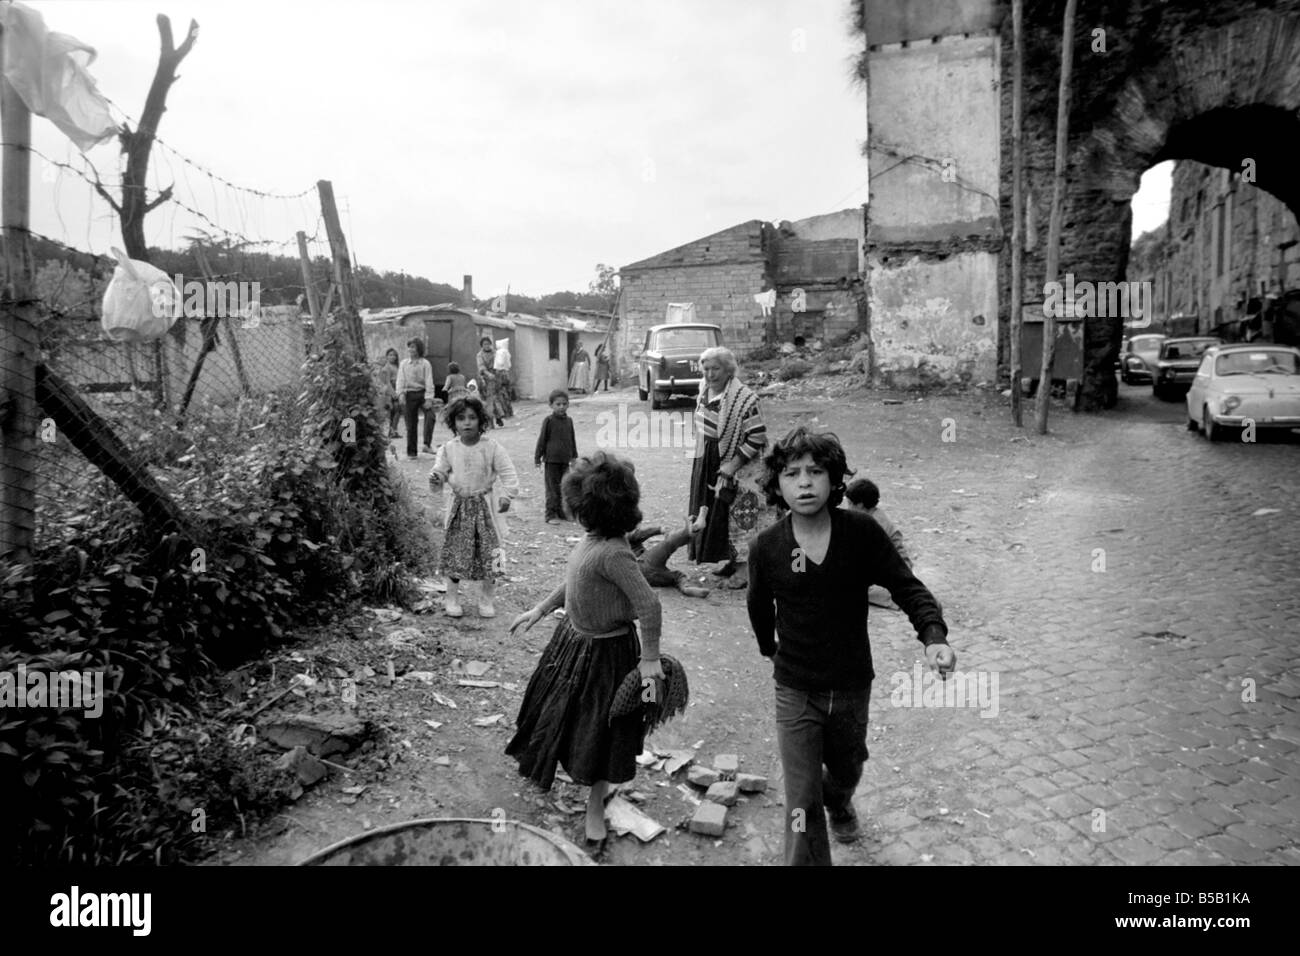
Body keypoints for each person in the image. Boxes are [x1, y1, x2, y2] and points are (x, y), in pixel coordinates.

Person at [747, 426, 955, 867]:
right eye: (791, 473)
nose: (804, 482)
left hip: (851, 686)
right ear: (777, 485)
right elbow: (759, 606)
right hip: (795, 689)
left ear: (834, 478)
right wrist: (770, 648)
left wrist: (933, 638)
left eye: (815, 471)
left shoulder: (860, 533)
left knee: (846, 769)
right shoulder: (766, 547)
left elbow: (908, 587)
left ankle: (839, 801)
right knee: (801, 804)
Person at [505, 451, 664, 849]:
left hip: (607, 657)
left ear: (600, 511)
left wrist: (649, 659)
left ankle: (597, 802)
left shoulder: (616, 553)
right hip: (572, 643)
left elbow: (649, 605)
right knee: (568, 717)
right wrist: (540, 609)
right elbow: (575, 581)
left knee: (601, 731)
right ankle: (572, 770)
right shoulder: (593, 540)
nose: (577, 517)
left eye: (582, 510)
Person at [687, 346, 774, 589]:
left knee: (742, 514)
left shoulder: (744, 398)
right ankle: (732, 561)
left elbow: (756, 436)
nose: (710, 374)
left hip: (741, 465)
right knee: (717, 513)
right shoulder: (704, 390)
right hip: (710, 459)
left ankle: (746, 569)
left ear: (729, 371)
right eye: (706, 369)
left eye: (716, 369)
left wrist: (733, 465)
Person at [428, 396, 519, 618]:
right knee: (455, 553)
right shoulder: (449, 448)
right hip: (459, 508)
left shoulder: (492, 448)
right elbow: (440, 470)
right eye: (461, 419)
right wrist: (436, 477)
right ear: (454, 423)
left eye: (472, 418)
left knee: (493, 554)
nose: (467, 423)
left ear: (481, 421)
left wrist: (507, 495)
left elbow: (508, 473)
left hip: (485, 508)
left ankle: (486, 600)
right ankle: (451, 598)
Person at [628, 522, 710, 598]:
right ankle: (689, 532)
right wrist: (660, 529)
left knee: (676, 576)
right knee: (668, 544)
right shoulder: (623, 536)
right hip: (641, 563)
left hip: (646, 578)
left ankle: (686, 588)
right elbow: (637, 534)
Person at [534, 389, 577, 525]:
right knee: (552, 489)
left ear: (568, 405)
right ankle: (550, 514)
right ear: (551, 405)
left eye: (564, 404)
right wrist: (537, 457)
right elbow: (542, 439)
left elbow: (572, 439)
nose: (561, 407)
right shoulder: (549, 421)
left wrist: (574, 456)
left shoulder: (569, 421)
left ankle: (562, 513)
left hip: (565, 460)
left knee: (564, 487)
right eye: (558, 404)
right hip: (551, 461)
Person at [396, 338, 435, 459]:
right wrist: (401, 394)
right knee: (411, 424)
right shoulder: (404, 364)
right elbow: (400, 379)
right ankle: (412, 452)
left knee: (431, 416)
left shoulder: (425, 363)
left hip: (423, 394)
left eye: (413, 347)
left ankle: (426, 444)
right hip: (409, 394)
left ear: (419, 349)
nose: (411, 349)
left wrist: (429, 398)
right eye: (410, 347)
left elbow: (429, 381)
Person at [477, 335, 505, 428]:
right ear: (482, 345)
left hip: (496, 377)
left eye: (488, 344)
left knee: (496, 398)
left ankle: (497, 417)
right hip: (485, 379)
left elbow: (500, 363)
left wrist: (499, 370)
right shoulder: (480, 355)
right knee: (488, 400)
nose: (487, 345)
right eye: (485, 344)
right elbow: (481, 367)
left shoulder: (495, 353)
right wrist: (488, 374)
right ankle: (492, 420)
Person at [380, 348, 401, 439]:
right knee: (393, 410)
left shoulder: (397, 366)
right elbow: (387, 382)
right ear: (387, 357)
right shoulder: (387, 367)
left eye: (394, 355)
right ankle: (391, 431)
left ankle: (393, 431)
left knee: (396, 410)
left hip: (397, 388)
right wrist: (393, 393)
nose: (393, 357)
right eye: (390, 355)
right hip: (390, 390)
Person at [494, 339, 515, 420]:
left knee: (501, 394)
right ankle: (510, 412)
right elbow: (509, 364)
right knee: (506, 394)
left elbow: (500, 362)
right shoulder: (507, 352)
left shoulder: (500, 352)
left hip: (500, 373)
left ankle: (505, 412)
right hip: (506, 373)